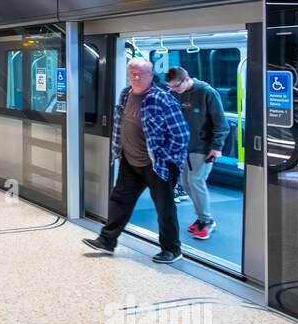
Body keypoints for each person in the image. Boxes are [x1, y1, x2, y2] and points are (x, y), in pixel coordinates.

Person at [84, 56, 189, 264]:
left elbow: (182, 135)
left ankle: (172, 249)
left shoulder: (162, 99)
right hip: (130, 160)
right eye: (132, 73)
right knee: (119, 200)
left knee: (164, 207)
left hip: (157, 164)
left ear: (151, 75)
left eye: (141, 73)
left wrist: (165, 158)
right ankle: (107, 241)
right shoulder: (125, 94)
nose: (137, 76)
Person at [165, 66, 227, 240]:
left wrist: (217, 147)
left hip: (204, 147)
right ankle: (201, 217)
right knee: (185, 183)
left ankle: (207, 221)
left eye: (176, 86)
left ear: (186, 80)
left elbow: (221, 123)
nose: (174, 90)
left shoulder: (207, 93)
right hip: (183, 146)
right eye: (170, 87)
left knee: (196, 181)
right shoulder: (174, 93)